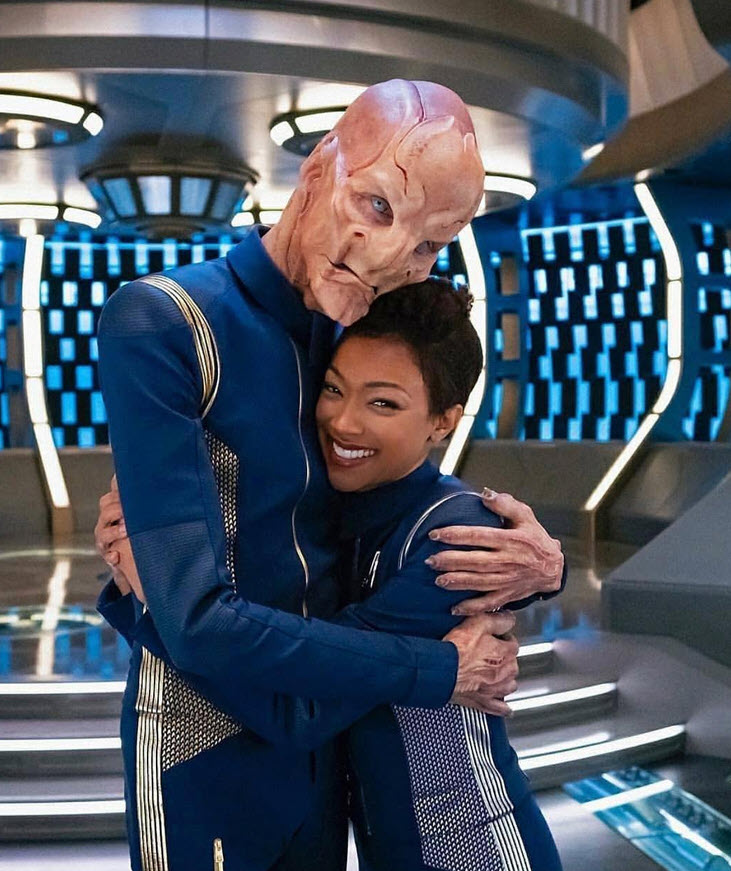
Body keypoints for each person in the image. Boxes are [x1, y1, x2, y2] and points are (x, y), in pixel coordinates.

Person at [95, 79, 565, 871]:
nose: (387, 259)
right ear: (320, 165)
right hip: (202, 736)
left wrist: (541, 568)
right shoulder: (167, 319)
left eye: (427, 244)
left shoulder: (351, 323)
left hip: (330, 745)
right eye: (377, 205)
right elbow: (195, 618)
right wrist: (437, 666)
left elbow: (391, 507)